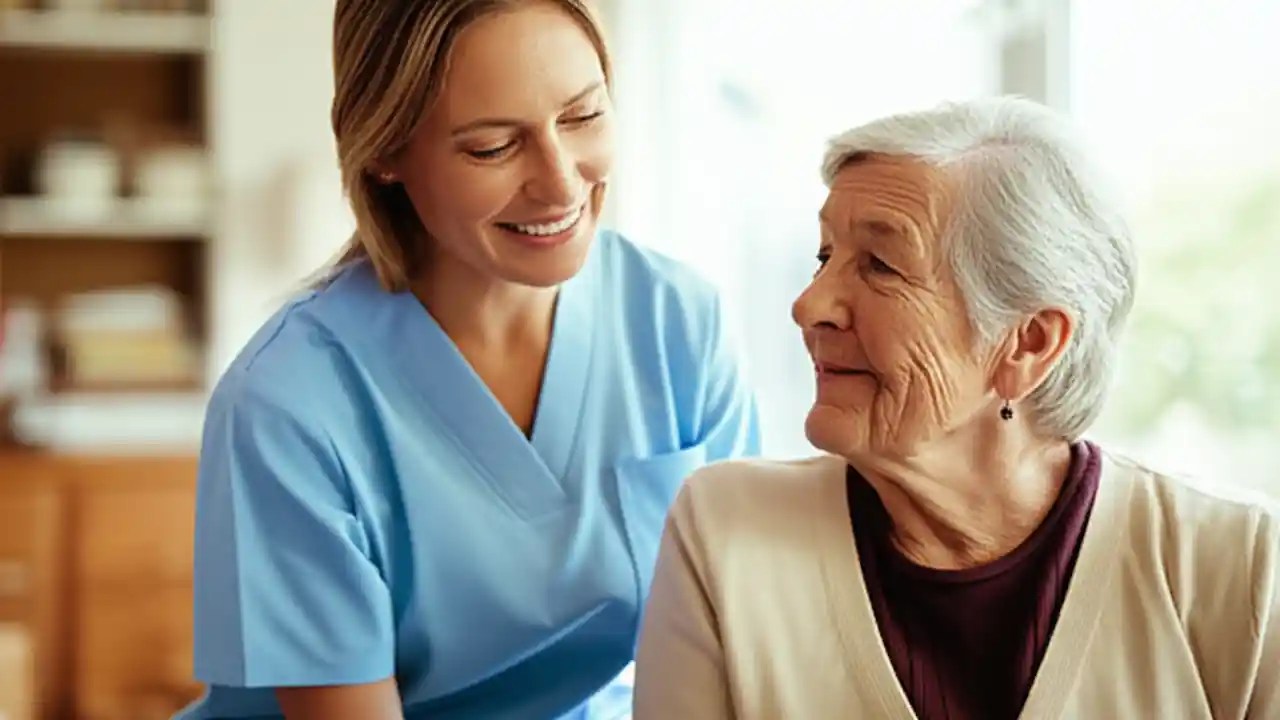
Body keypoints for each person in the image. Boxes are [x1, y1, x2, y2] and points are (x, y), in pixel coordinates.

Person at [174, 1, 761, 718]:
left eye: (581, 118)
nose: (560, 181)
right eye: (492, 147)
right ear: (385, 151)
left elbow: (738, 644)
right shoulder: (287, 405)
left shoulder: (677, 323)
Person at [633, 96, 1279, 719]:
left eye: (881, 265)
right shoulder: (727, 533)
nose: (810, 305)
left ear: (1028, 342)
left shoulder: (1241, 565)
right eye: (825, 256)